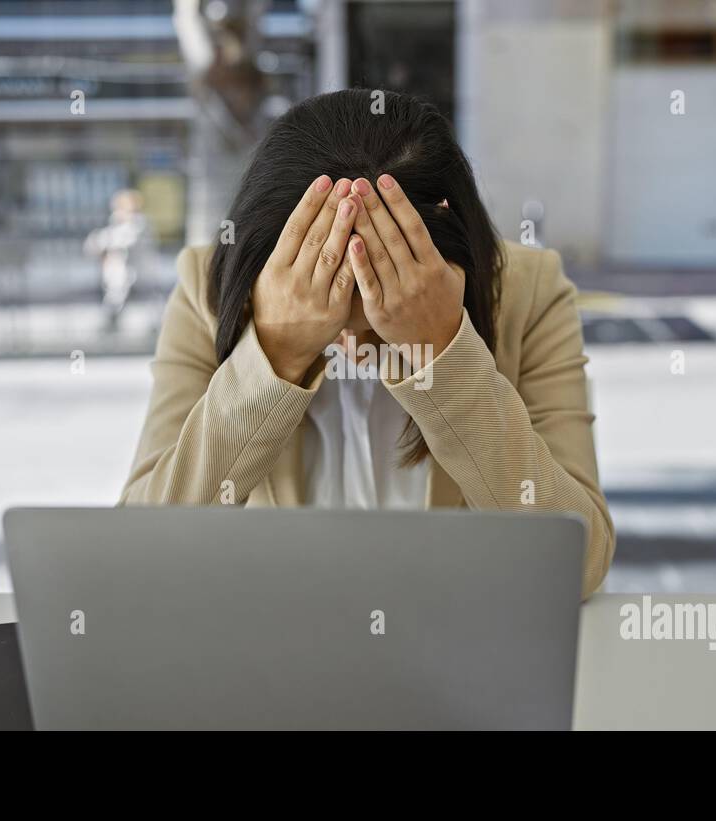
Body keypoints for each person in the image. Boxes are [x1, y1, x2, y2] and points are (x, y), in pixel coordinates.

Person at [120, 89, 615, 598]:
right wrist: (274, 357)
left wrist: (443, 355)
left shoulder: (528, 293)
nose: (350, 345)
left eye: (386, 311)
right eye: (322, 306)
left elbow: (578, 566)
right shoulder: (211, 290)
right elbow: (136, 557)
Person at [84, 189, 150, 334]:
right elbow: (95, 242)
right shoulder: (116, 225)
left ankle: (152, 326)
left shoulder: (138, 225)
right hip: (115, 274)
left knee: (125, 296)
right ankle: (112, 322)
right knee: (116, 296)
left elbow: (125, 240)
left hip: (134, 275)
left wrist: (105, 243)